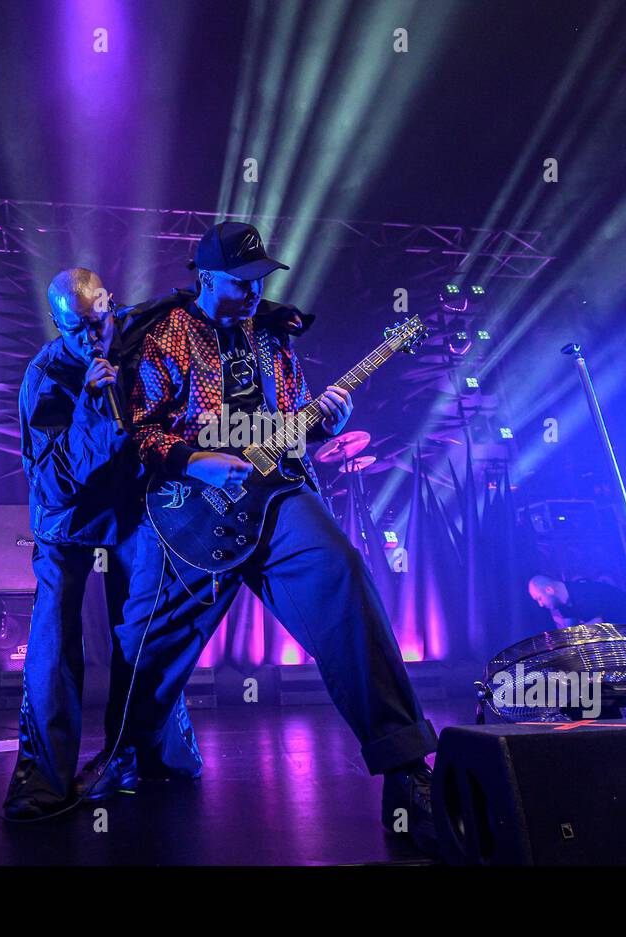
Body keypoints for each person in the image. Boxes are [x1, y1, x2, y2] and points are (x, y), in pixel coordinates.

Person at [82, 223, 440, 853]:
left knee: (344, 573)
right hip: (192, 505)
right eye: (241, 280)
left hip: (275, 497)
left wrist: (327, 422)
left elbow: (292, 425)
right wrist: (196, 461)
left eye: (260, 280)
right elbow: (141, 431)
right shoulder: (169, 335)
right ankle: (128, 754)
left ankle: (405, 768)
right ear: (207, 276)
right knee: (145, 639)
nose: (253, 291)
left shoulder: (272, 335)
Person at [4, 268, 199, 821]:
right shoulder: (45, 378)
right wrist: (92, 409)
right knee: (54, 636)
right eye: (77, 329)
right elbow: (59, 480)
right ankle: (41, 776)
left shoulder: (125, 326)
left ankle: (149, 750)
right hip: (66, 517)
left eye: (99, 322)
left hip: (128, 510)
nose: (93, 338)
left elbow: (182, 299)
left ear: (111, 306)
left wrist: (267, 310)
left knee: (146, 628)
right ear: (58, 325)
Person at [527, 574, 626, 630]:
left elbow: (598, 623)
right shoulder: (563, 603)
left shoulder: (583, 593)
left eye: (539, 598)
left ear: (549, 590)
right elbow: (570, 631)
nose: (541, 604)